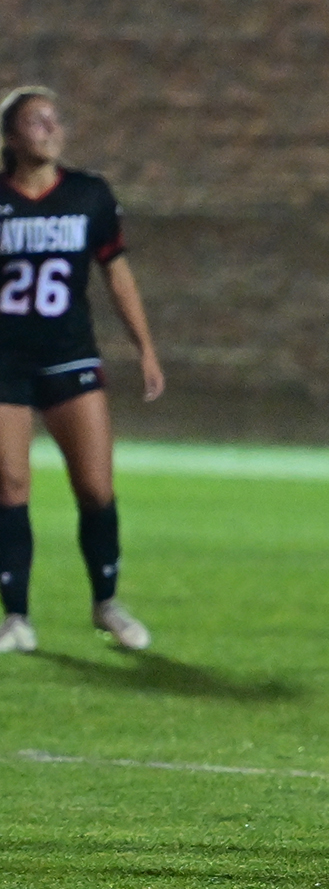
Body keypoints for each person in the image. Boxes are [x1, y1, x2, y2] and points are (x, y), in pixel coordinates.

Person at [0, 87, 165, 655]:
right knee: (10, 485)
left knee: (95, 486)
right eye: (35, 120)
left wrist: (144, 347)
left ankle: (107, 603)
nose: (50, 128)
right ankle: (16, 616)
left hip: (69, 353)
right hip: (4, 360)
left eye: (55, 118)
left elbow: (116, 273)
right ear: (11, 136)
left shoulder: (89, 194)